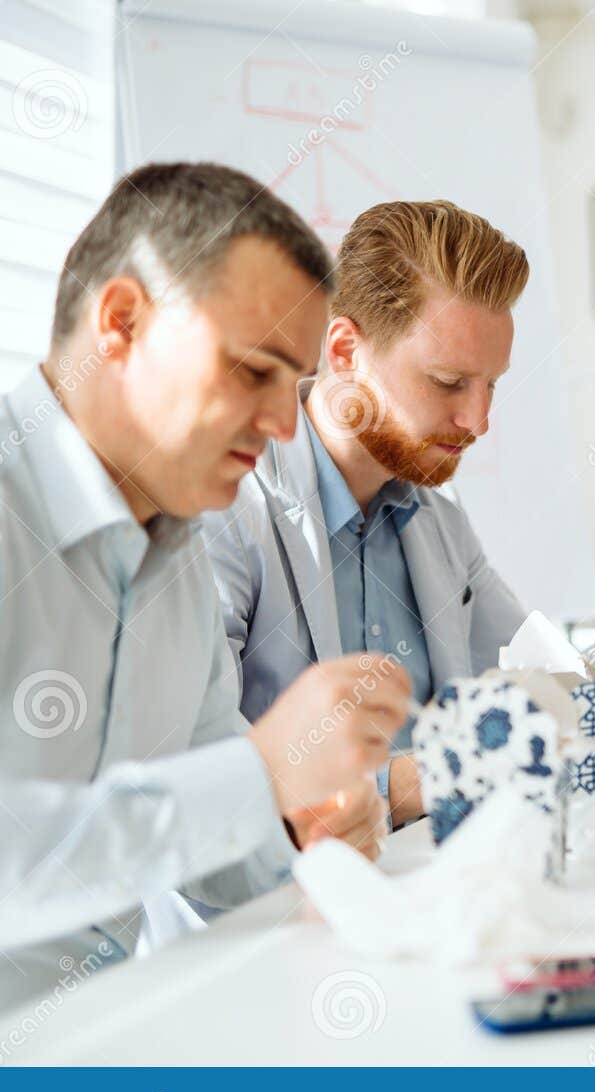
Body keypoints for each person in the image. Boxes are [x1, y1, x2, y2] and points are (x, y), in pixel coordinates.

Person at [0, 163, 410, 1008]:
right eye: (253, 370)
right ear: (121, 321)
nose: (285, 425)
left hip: (104, 1043)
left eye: (294, 385)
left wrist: (308, 824)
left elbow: (203, 823)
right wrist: (262, 774)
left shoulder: (177, 541)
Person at [203, 200, 595, 829]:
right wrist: (425, 779)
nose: (478, 421)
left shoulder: (436, 521)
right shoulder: (226, 510)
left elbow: (537, 688)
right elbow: (201, 777)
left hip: (435, 885)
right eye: (447, 382)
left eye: (491, 383)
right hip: (277, 913)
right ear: (343, 349)